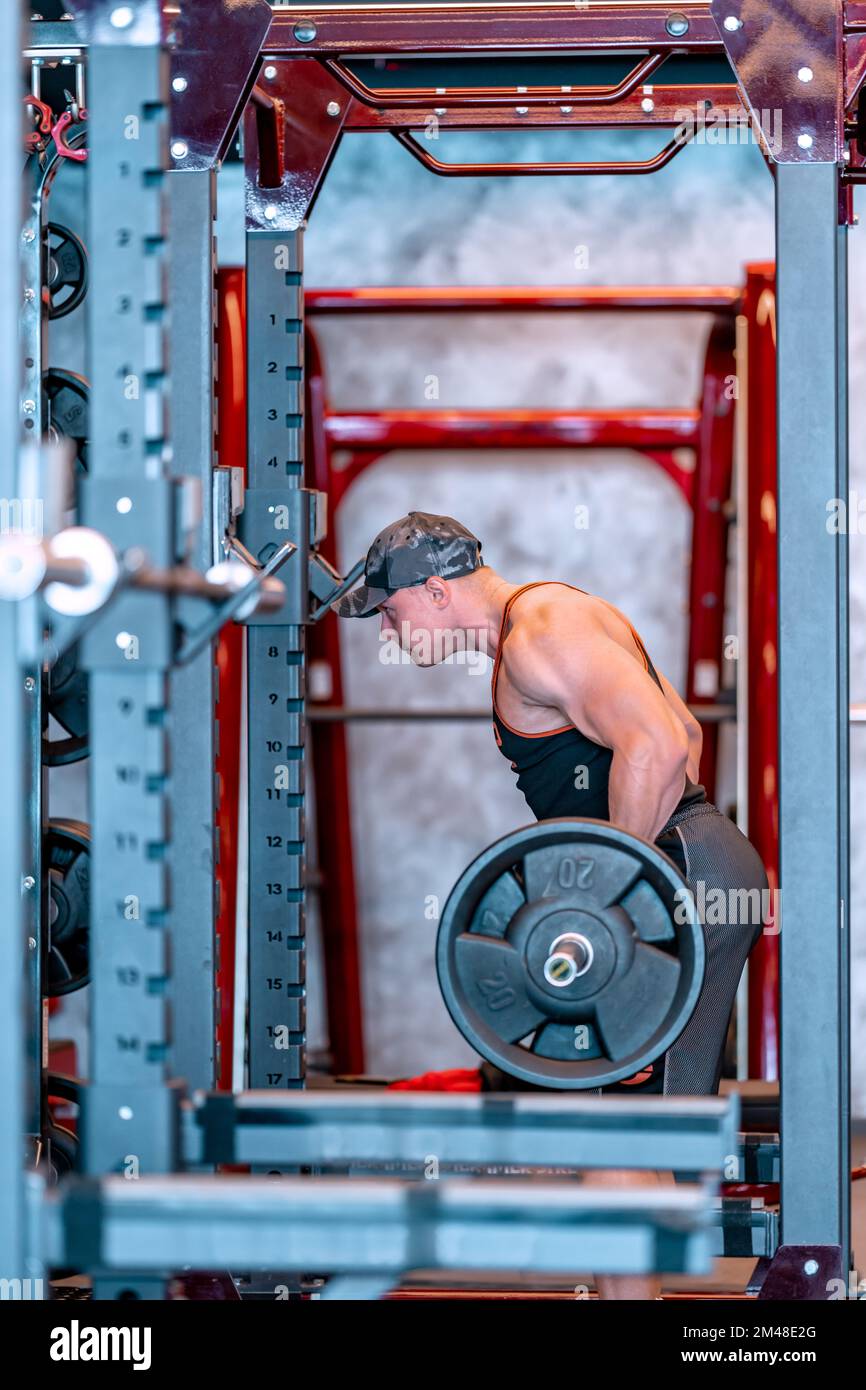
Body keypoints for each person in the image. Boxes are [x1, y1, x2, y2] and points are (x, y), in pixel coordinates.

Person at [333, 511, 768, 1299]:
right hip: (687, 867)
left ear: (435, 590)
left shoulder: (540, 633)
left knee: (635, 1140)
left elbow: (660, 749)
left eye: (391, 615)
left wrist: (611, 892)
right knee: (606, 1133)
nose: (390, 636)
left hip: (676, 879)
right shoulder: (551, 618)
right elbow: (685, 735)